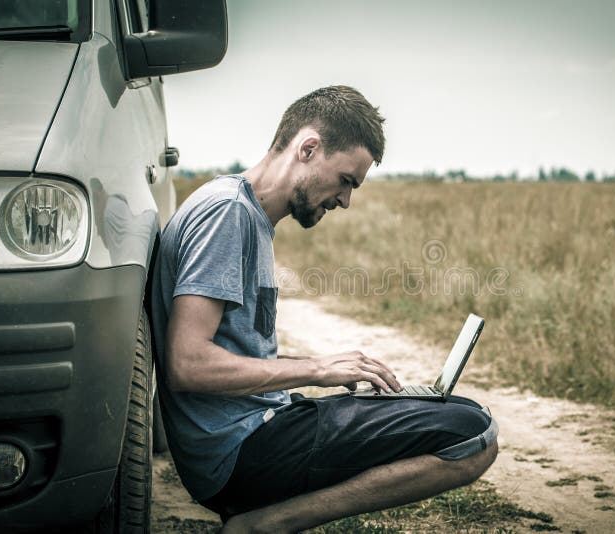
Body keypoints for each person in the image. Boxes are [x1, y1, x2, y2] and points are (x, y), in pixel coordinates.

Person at [151, 85, 498, 533]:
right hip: (239, 453)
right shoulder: (228, 214)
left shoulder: (246, 213)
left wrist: (331, 370)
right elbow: (187, 364)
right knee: (472, 434)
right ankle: (264, 524)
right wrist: (316, 369)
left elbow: (229, 354)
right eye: (347, 180)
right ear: (309, 148)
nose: (345, 200)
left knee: (457, 413)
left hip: (259, 430)